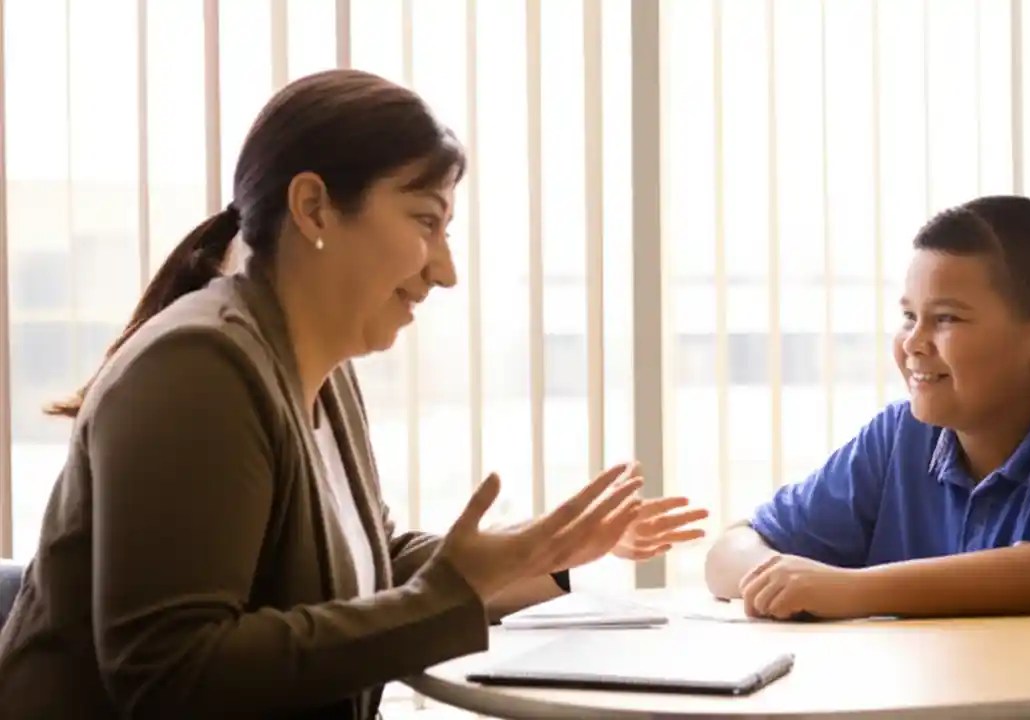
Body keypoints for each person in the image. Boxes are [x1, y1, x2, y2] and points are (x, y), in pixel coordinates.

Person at [0, 69, 707, 719]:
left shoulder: (319, 369)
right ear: (313, 208)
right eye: (425, 222)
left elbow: (362, 570)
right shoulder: (197, 368)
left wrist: (538, 553)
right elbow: (174, 674)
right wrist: (444, 598)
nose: (446, 271)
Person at [704, 195, 1030, 624]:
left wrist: (851, 589)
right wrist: (779, 582)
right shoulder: (899, 437)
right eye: (910, 317)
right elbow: (729, 552)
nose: (913, 343)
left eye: (946, 319)